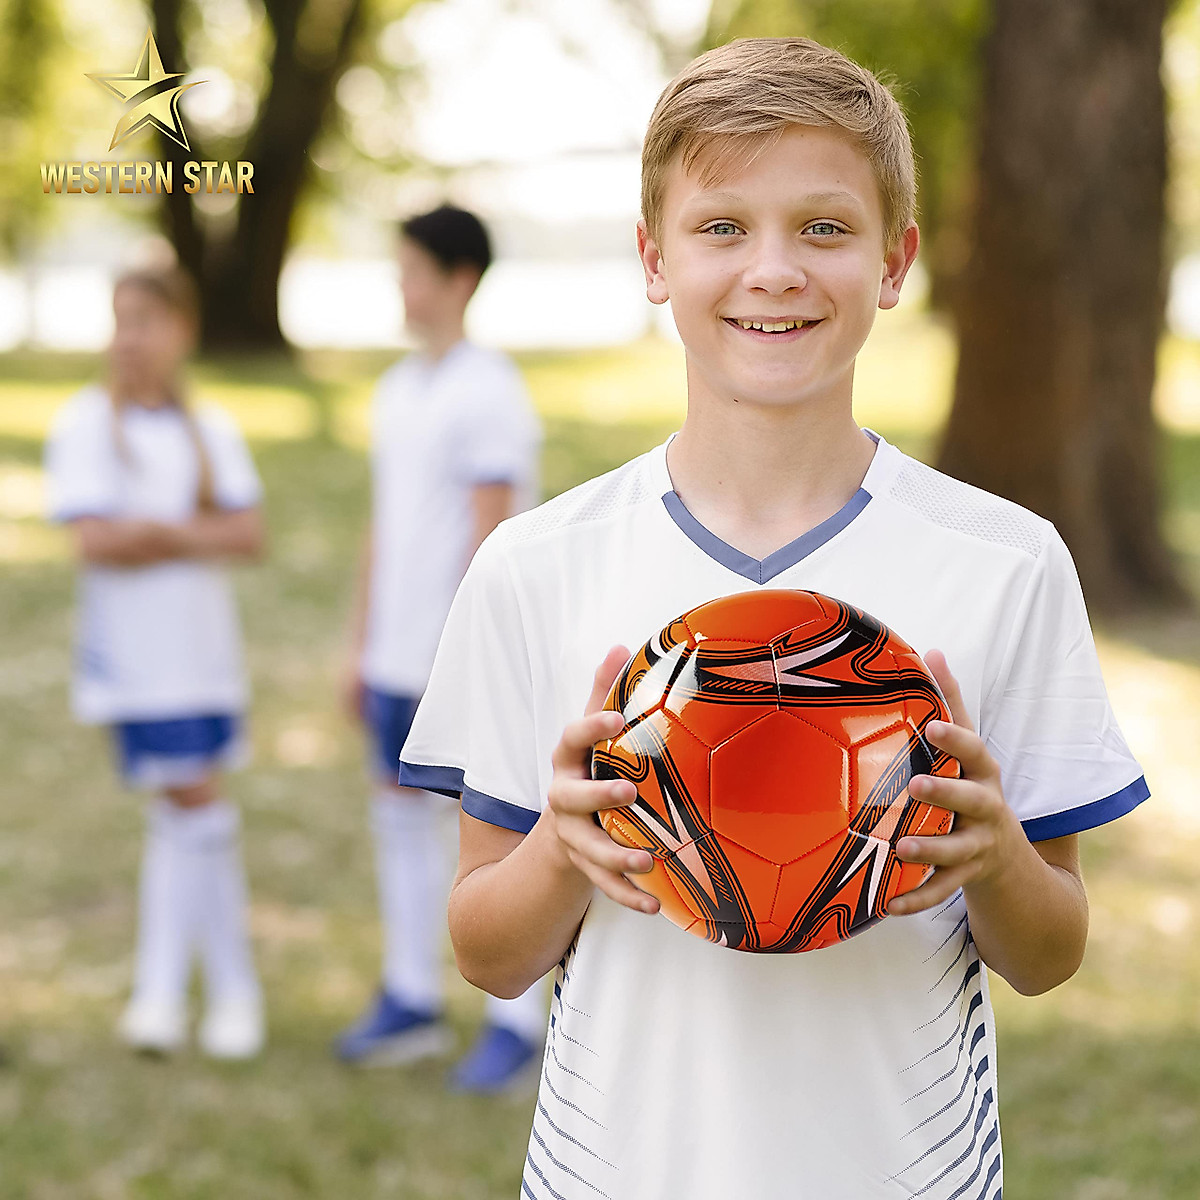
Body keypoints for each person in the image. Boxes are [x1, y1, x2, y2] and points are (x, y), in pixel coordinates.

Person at [397, 37, 1151, 1198]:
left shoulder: (1005, 562)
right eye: (722, 227)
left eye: (825, 227)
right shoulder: (535, 566)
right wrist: (564, 838)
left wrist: (997, 857)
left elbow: (1049, 955)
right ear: (654, 259)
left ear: (895, 262)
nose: (775, 269)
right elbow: (488, 955)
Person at [335, 204, 546, 1090]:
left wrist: (461, 661)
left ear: (459, 280)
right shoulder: (397, 390)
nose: (399, 284)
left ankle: (518, 1022)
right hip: (391, 657)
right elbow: (386, 530)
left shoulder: (488, 390)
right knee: (395, 820)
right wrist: (360, 643)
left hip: (453, 657)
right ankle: (411, 997)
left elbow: (487, 534)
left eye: (412, 269)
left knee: (488, 829)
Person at [44, 265, 266, 1059]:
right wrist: (190, 530)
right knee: (196, 809)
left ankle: (170, 997)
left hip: (205, 658)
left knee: (183, 819)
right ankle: (216, 994)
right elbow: (97, 540)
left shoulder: (210, 432)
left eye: (146, 320)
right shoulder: (84, 425)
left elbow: (249, 535)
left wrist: (160, 533)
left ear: (182, 330)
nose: (130, 337)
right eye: (120, 320)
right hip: (138, 666)